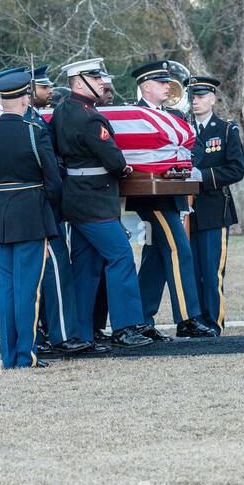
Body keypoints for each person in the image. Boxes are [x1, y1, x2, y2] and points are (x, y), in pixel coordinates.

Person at [51, 58, 153, 349]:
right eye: (95, 79)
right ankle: (125, 327)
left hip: (75, 197)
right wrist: (123, 169)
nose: (102, 83)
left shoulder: (61, 111)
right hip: (96, 201)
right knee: (121, 257)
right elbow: (115, 160)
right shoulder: (90, 118)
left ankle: (82, 331)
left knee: (86, 266)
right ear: (78, 82)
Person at [0, 68, 63, 369]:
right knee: (28, 290)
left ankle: (10, 355)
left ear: (0, 99)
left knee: (7, 290)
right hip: (30, 215)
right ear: (25, 98)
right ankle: (26, 355)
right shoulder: (34, 133)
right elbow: (54, 182)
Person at [127, 59, 215, 338]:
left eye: (168, 81)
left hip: (170, 195)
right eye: (161, 82)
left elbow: (195, 147)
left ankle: (141, 319)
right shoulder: (134, 117)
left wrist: (181, 164)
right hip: (152, 199)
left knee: (155, 258)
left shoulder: (172, 114)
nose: (168, 86)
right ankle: (188, 318)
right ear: (145, 86)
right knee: (180, 249)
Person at [25, 65, 99, 355]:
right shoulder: (32, 125)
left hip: (21, 208)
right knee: (56, 271)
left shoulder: (31, 122)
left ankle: (37, 335)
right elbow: (50, 169)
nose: (49, 91)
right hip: (43, 207)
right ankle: (62, 335)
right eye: (42, 88)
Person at [186, 75, 244, 332]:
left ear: (212, 99)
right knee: (191, 268)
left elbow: (236, 169)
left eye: (200, 96)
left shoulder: (225, 130)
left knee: (211, 269)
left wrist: (204, 177)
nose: (195, 101)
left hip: (214, 209)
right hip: (188, 210)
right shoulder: (183, 128)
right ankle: (194, 320)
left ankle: (213, 321)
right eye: (192, 97)